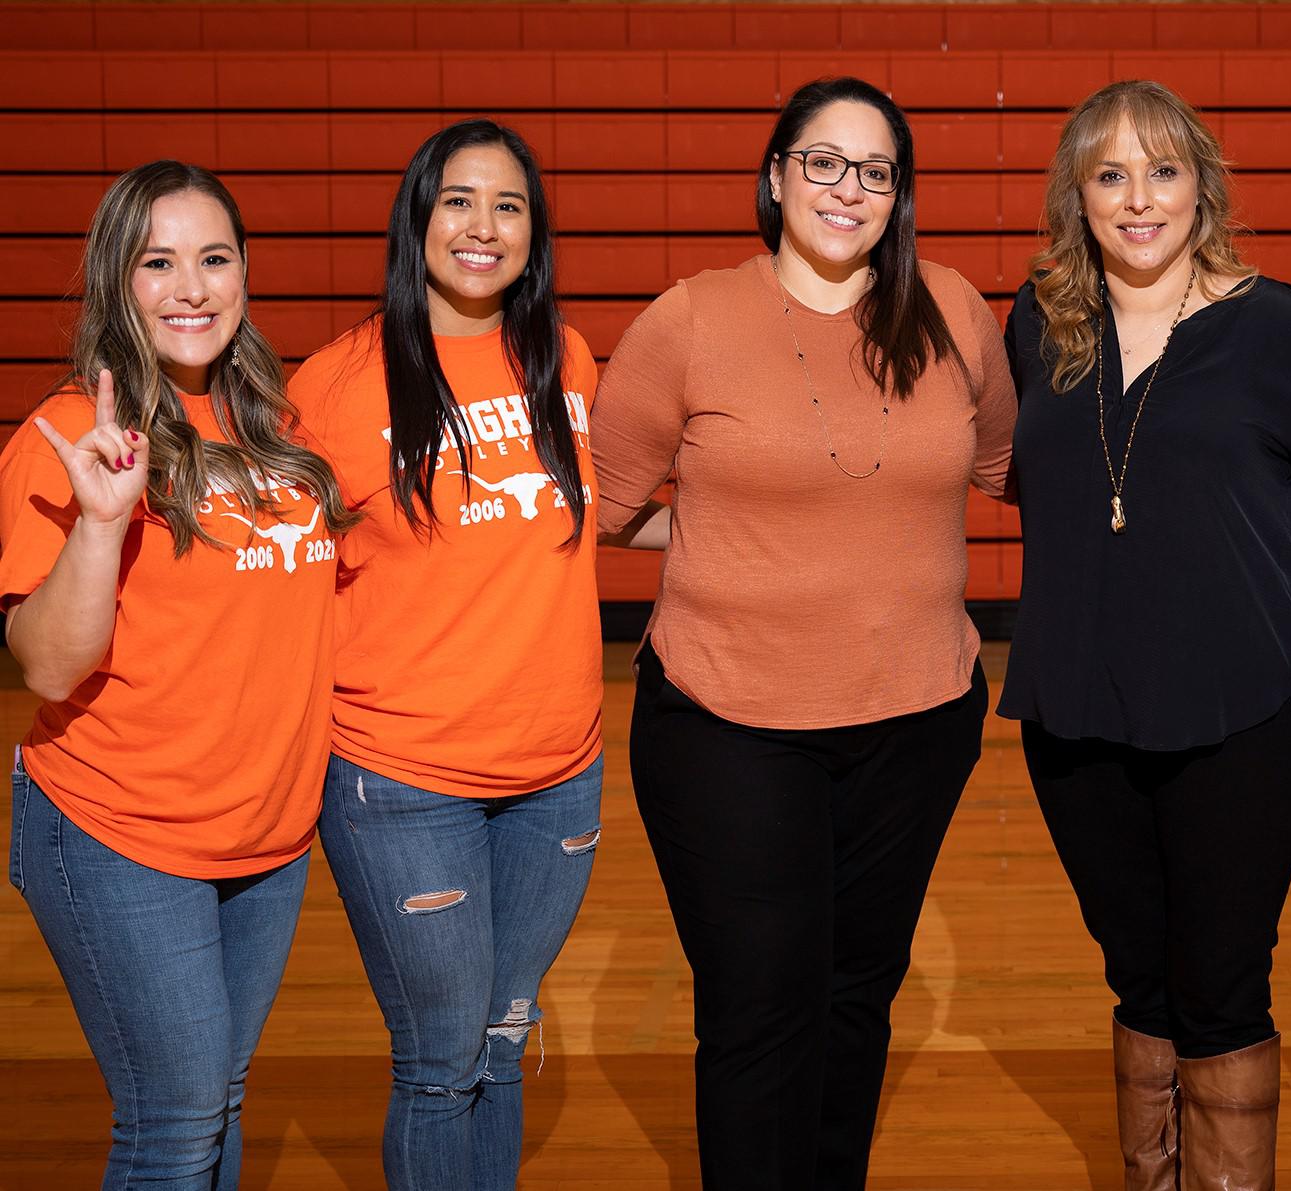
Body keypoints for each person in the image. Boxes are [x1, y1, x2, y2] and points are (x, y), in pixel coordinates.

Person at [587, 77, 1015, 1190]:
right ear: (774, 177)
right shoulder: (690, 318)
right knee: (759, 1009)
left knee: (855, 997)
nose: (848, 189)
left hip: (916, 722)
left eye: (876, 171)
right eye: (822, 162)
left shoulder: (955, 311)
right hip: (731, 724)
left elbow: (1014, 470)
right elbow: (605, 505)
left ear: (899, 196)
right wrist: (724, 535)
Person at [994, 80, 1291, 1189]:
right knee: (1137, 981)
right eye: (1109, 175)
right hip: (1077, 714)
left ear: (1203, 185)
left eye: (1161, 171)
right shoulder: (1036, 321)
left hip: (1240, 719)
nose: (1137, 199)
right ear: (1077, 197)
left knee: (1219, 987)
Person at [1, 160, 353, 1187]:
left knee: (213, 1102)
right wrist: (104, 526)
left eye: (214, 259)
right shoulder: (70, 437)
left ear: (245, 274)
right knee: (176, 1119)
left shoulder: (278, 432)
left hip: (265, 839)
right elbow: (49, 666)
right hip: (123, 831)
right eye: (159, 263)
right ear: (118, 278)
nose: (191, 288)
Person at [287, 119, 604, 1190]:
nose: (482, 226)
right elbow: (274, 575)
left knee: (502, 1046)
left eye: (508, 205)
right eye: (458, 200)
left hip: (558, 777)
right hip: (402, 779)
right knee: (439, 1061)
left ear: (535, 231)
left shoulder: (565, 357)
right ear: (417, 215)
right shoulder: (333, 387)